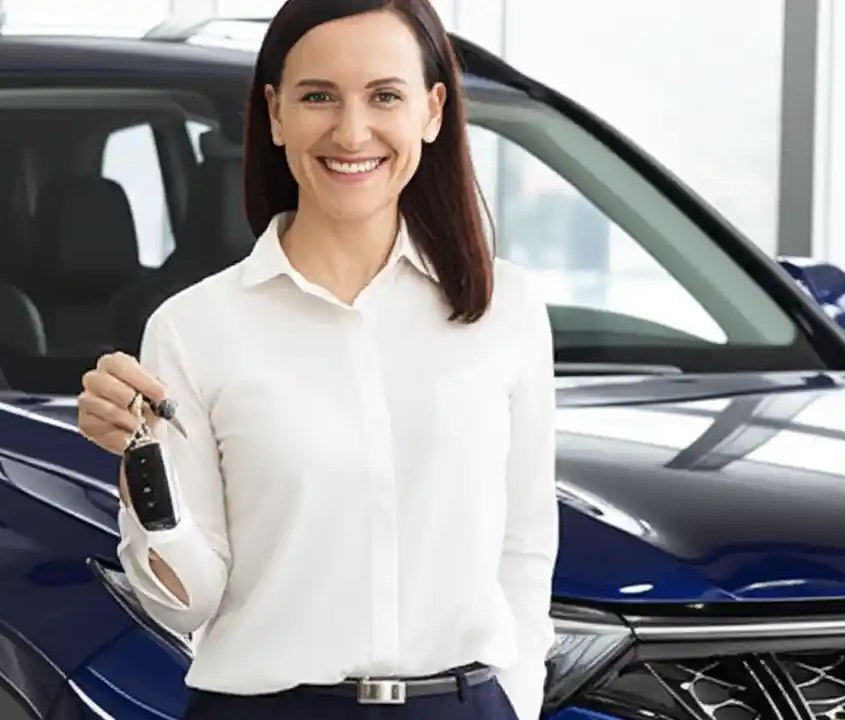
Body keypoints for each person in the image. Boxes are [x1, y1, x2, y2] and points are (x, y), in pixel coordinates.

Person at [75, 0, 559, 717]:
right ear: (275, 115)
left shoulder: (505, 308)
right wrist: (141, 471)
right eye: (318, 97)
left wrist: (512, 705)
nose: (352, 131)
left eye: (384, 96)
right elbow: (188, 603)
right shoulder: (194, 328)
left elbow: (523, 550)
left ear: (431, 111)